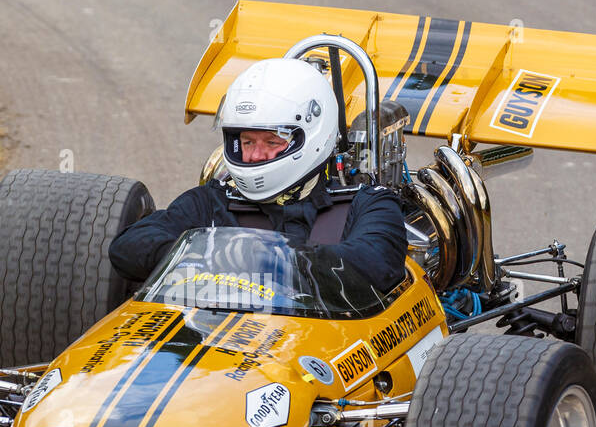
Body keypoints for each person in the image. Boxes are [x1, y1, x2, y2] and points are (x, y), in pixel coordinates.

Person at [109, 57, 408, 291]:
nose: (254, 155)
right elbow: (128, 247)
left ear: (314, 136)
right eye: (248, 142)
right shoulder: (213, 201)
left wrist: (268, 259)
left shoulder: (367, 205)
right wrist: (200, 255)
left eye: (272, 142)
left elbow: (377, 265)